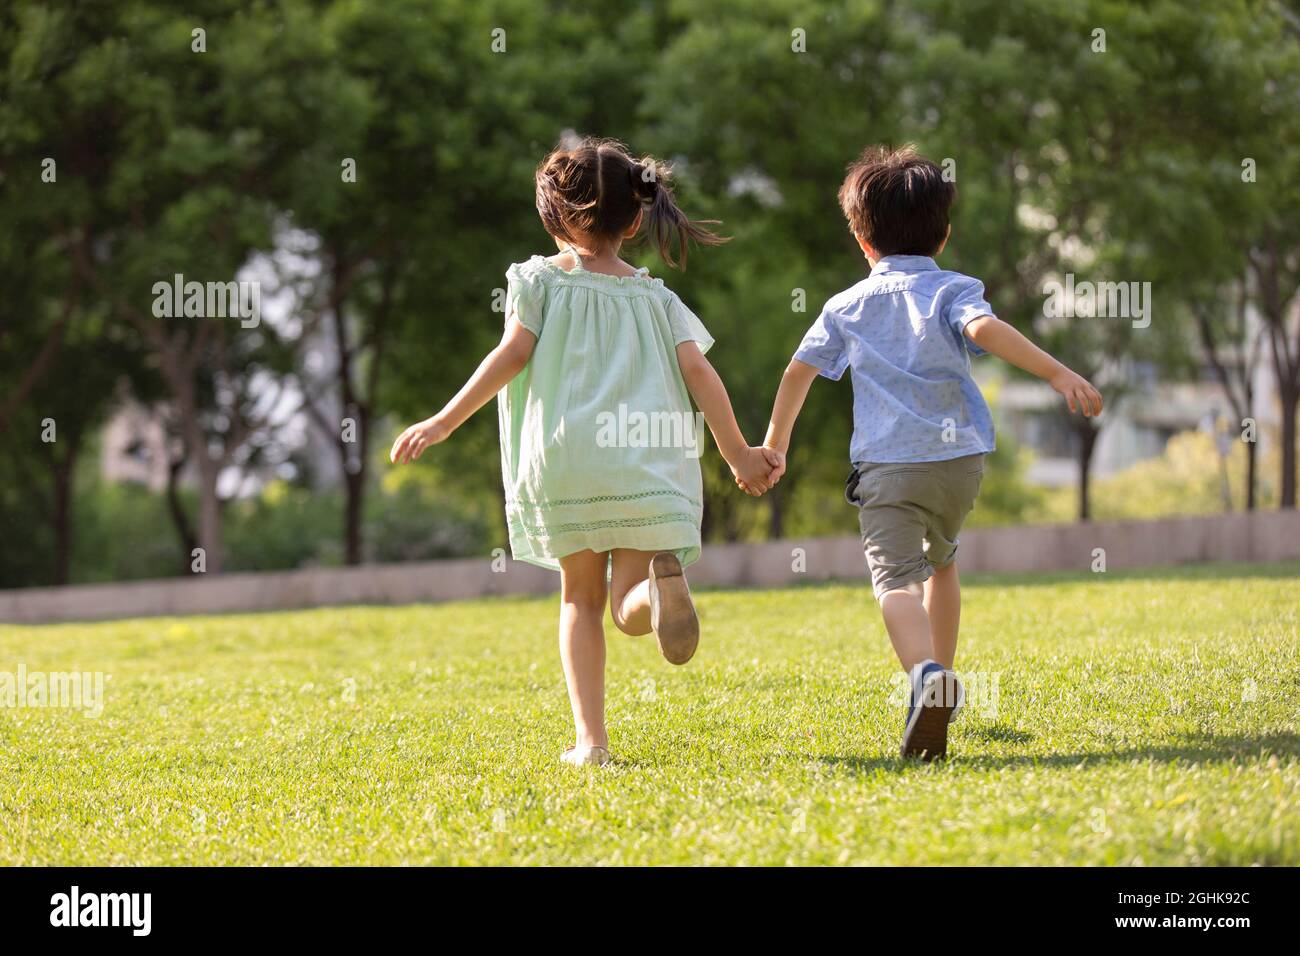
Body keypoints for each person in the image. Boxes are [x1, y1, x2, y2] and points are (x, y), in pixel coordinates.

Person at [391, 137, 781, 766]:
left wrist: (442, 420)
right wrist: (738, 455)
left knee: (581, 599)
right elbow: (701, 377)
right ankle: (654, 595)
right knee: (628, 604)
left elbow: (511, 356)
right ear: (635, 219)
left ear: (556, 217)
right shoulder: (658, 299)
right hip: (644, 459)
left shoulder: (540, 281)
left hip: (569, 458)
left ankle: (591, 744)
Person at [757, 145, 1102, 760]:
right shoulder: (955, 289)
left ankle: (925, 677)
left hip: (889, 467)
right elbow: (984, 331)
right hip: (959, 465)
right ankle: (940, 670)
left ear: (862, 241)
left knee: (893, 580)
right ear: (942, 235)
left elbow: (799, 372)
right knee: (941, 563)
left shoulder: (846, 305)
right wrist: (1056, 374)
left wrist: (775, 444)